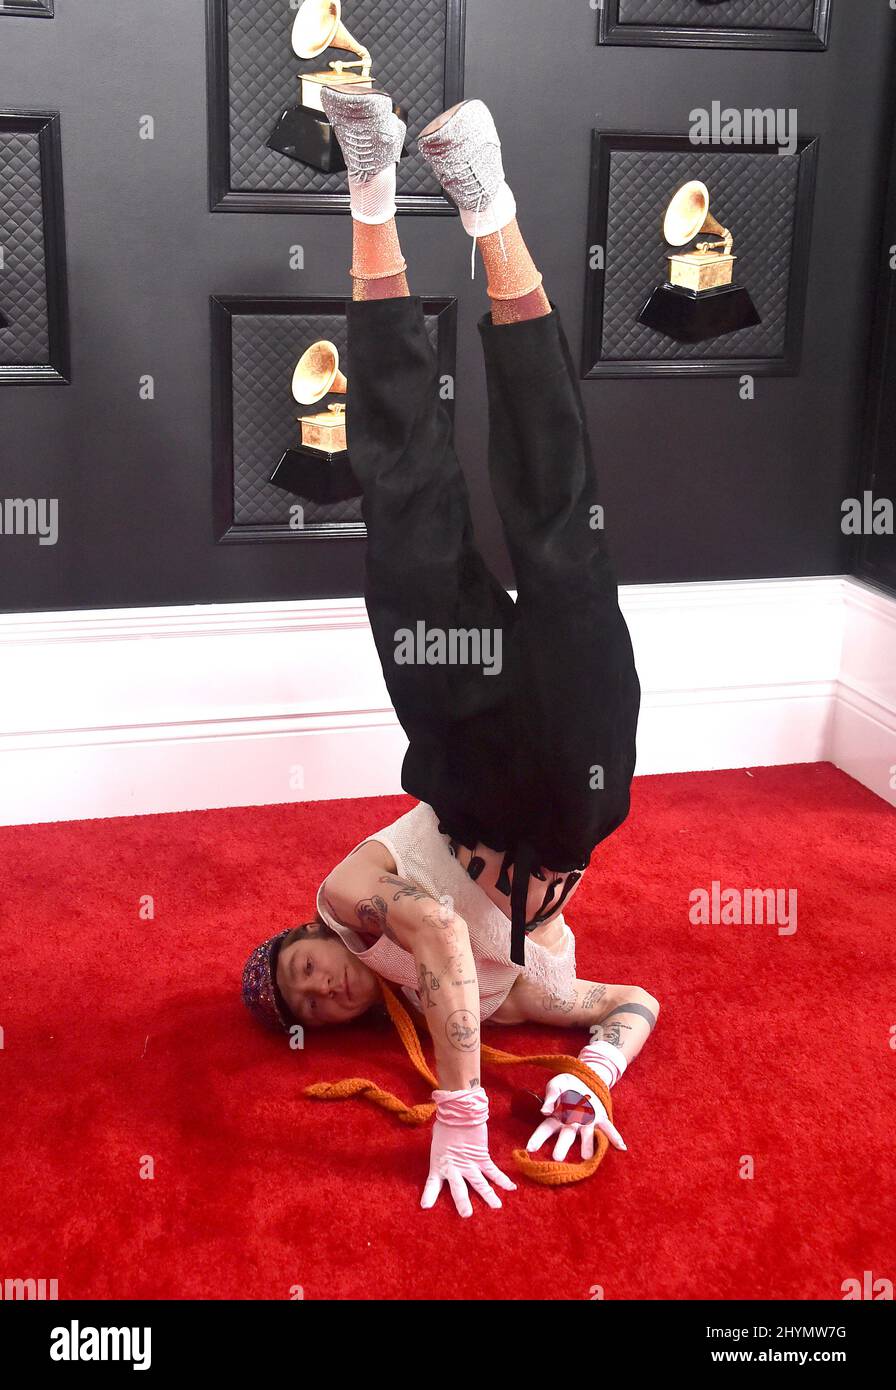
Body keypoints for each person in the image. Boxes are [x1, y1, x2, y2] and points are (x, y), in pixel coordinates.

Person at [242, 91, 654, 1218]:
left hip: (462, 766)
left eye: (297, 965)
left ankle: (382, 189)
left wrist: (464, 1105)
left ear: (300, 935)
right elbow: (631, 1001)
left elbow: (428, 930)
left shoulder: (349, 900)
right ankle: (474, 208)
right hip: (574, 791)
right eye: (309, 1005)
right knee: (559, 519)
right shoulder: (488, 1010)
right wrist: (588, 1074)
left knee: (405, 505)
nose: (317, 986)